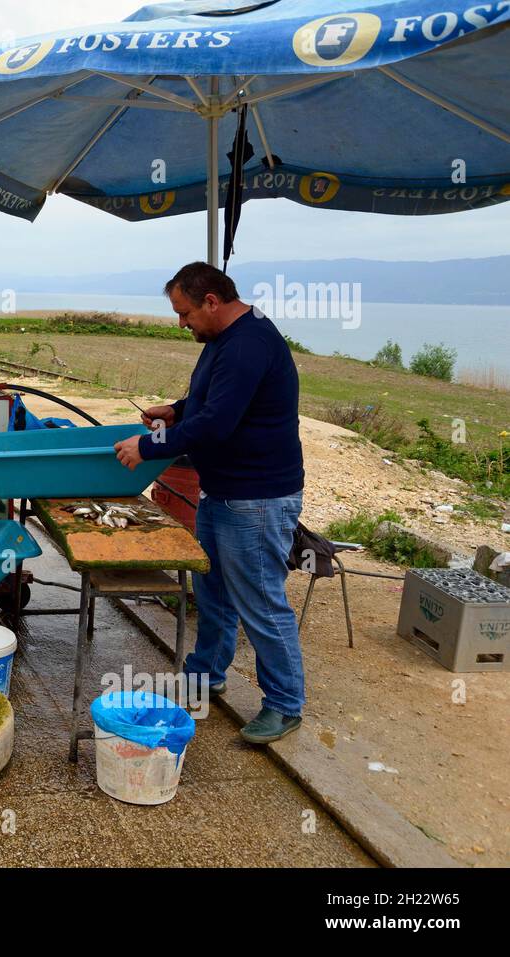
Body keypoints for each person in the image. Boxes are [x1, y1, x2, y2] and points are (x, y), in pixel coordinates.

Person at [113, 262, 305, 744]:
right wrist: (176, 410)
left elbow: (218, 422)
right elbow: (211, 399)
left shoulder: (248, 344)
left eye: (185, 313)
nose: (182, 324)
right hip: (223, 491)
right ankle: (204, 676)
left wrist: (151, 445)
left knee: (261, 600)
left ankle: (284, 704)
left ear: (212, 302)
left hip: (257, 497)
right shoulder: (226, 339)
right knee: (214, 592)